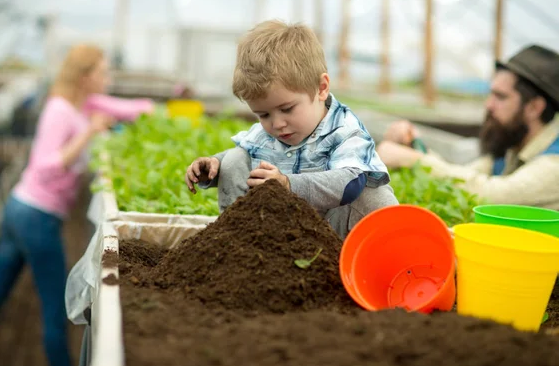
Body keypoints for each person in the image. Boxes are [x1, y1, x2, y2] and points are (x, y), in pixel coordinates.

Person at [0, 44, 154, 366]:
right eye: (103, 72)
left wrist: (162, 104)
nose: (108, 77)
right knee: (54, 312)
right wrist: (89, 132)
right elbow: (47, 165)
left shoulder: (83, 103)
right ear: (85, 76)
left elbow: (125, 108)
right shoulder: (60, 111)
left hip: (21, 211)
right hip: (36, 218)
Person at [185, 20, 398, 239]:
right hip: (279, 236)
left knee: (373, 197)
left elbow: (350, 183)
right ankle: (236, 241)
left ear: (321, 88)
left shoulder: (345, 131)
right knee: (234, 158)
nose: (276, 124)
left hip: (335, 235)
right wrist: (214, 166)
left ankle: (389, 250)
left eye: (287, 109)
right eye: (263, 115)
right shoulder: (268, 132)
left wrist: (288, 184)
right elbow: (248, 154)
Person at [376, 44, 559, 210]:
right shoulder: (514, 145)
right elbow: (465, 176)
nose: (489, 105)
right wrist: (415, 147)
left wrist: (413, 160)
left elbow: (492, 195)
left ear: (534, 107)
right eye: (491, 94)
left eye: (500, 97)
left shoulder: (554, 164)